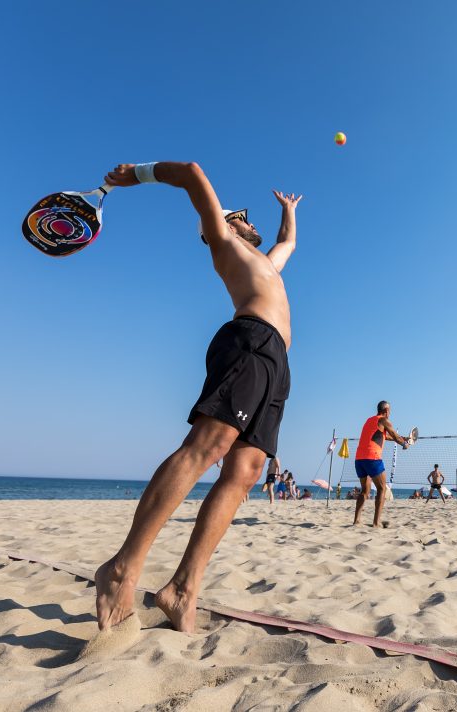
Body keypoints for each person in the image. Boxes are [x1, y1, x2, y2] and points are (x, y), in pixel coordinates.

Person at [93, 161, 301, 633]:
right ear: (222, 224)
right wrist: (138, 175)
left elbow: (288, 243)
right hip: (248, 342)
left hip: (277, 361)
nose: (251, 220)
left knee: (245, 472)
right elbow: (190, 173)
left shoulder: (265, 263)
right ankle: (122, 567)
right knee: (205, 448)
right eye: (241, 214)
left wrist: (288, 211)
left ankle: (183, 588)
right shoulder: (223, 243)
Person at [352, 401, 410, 526]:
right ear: (386, 410)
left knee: (364, 491)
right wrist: (404, 444)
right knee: (382, 488)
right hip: (372, 458)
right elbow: (394, 434)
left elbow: (386, 436)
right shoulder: (384, 420)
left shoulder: (370, 420)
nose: (390, 413)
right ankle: (376, 522)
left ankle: (356, 520)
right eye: (390, 410)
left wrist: (402, 438)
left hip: (359, 459)